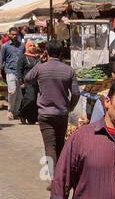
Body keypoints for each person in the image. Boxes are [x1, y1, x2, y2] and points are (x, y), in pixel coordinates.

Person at [24, 40, 79, 175]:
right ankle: (61, 176)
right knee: (60, 143)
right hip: (62, 113)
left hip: (45, 113)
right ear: (60, 53)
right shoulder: (68, 70)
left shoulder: (40, 67)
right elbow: (76, 93)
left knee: (50, 146)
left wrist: (40, 61)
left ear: (46, 52)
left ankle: (52, 176)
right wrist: (70, 106)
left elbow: (27, 78)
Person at [16, 38, 41, 125]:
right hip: (27, 82)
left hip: (37, 82)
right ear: (26, 47)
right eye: (30, 45)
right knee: (30, 99)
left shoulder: (37, 57)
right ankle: (22, 113)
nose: (32, 47)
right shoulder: (23, 57)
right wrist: (20, 81)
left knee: (35, 101)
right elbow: (19, 70)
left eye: (34, 45)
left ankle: (32, 118)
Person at [0, 29, 23, 118]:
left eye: (16, 34)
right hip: (10, 71)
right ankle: (10, 110)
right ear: (9, 35)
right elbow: (1, 60)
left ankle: (15, 111)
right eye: (12, 34)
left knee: (19, 94)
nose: (14, 36)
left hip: (20, 73)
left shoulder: (22, 46)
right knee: (12, 91)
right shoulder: (5, 46)